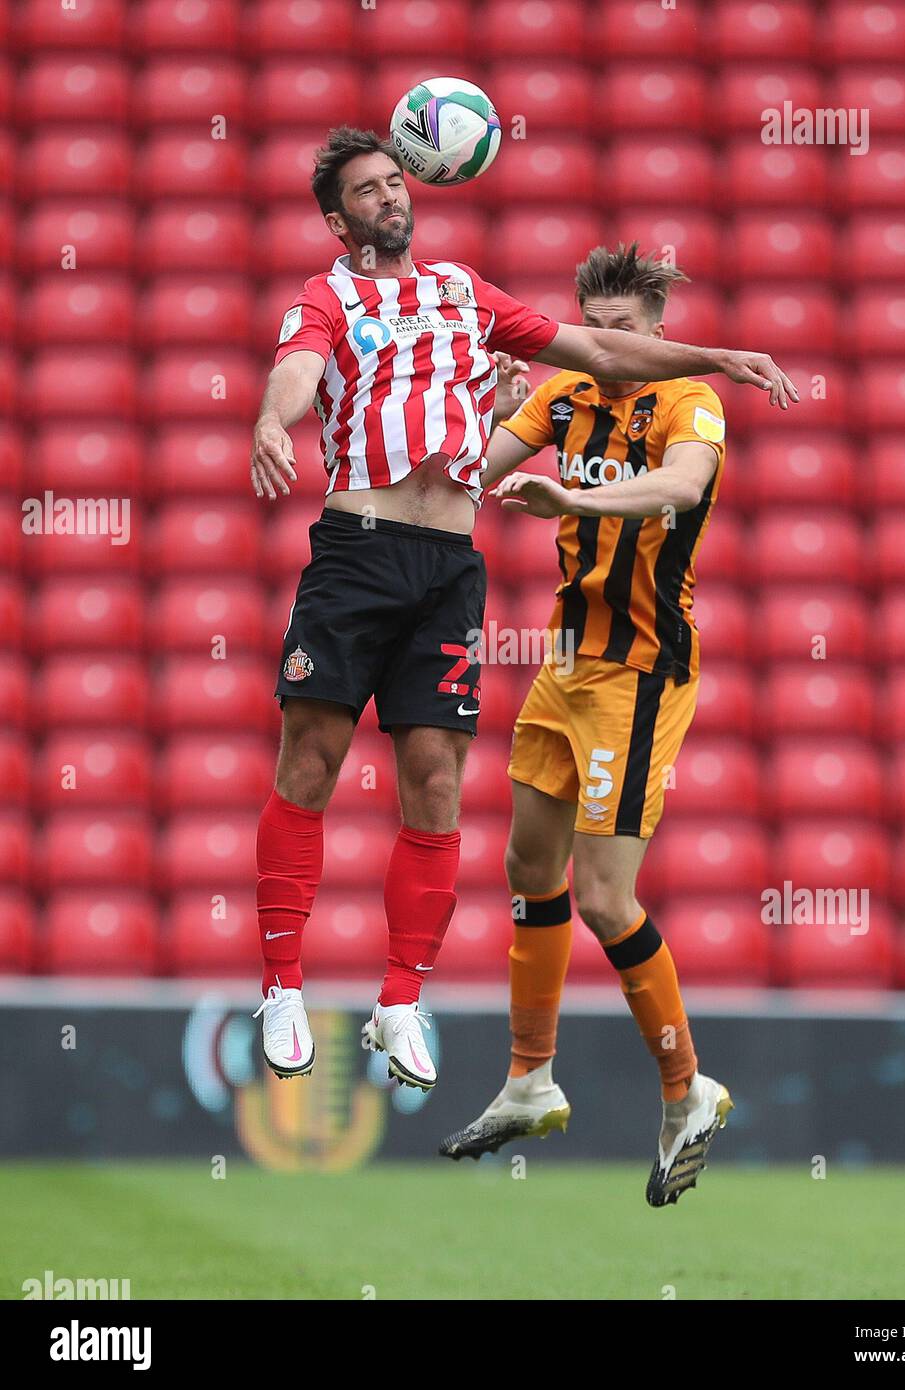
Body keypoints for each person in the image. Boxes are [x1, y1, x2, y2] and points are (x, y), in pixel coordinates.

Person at [248, 126, 798, 1097]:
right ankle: (284, 983)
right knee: (310, 760)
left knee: (436, 778)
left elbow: (591, 344)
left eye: (392, 181)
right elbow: (299, 366)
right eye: (366, 190)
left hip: (448, 567)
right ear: (339, 221)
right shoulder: (327, 296)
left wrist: (715, 356)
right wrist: (270, 416)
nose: (387, 196)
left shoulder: (464, 293)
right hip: (357, 550)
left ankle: (401, 996)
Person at [438, 243, 741, 1206]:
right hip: (564, 667)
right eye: (593, 330)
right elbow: (469, 466)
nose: (606, 347)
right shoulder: (564, 394)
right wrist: (478, 402)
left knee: (607, 899)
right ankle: (530, 1079)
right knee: (529, 868)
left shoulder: (690, 402)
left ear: (656, 330)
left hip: (641, 674)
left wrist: (568, 496)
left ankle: (686, 1089)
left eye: (623, 333)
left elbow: (681, 488)